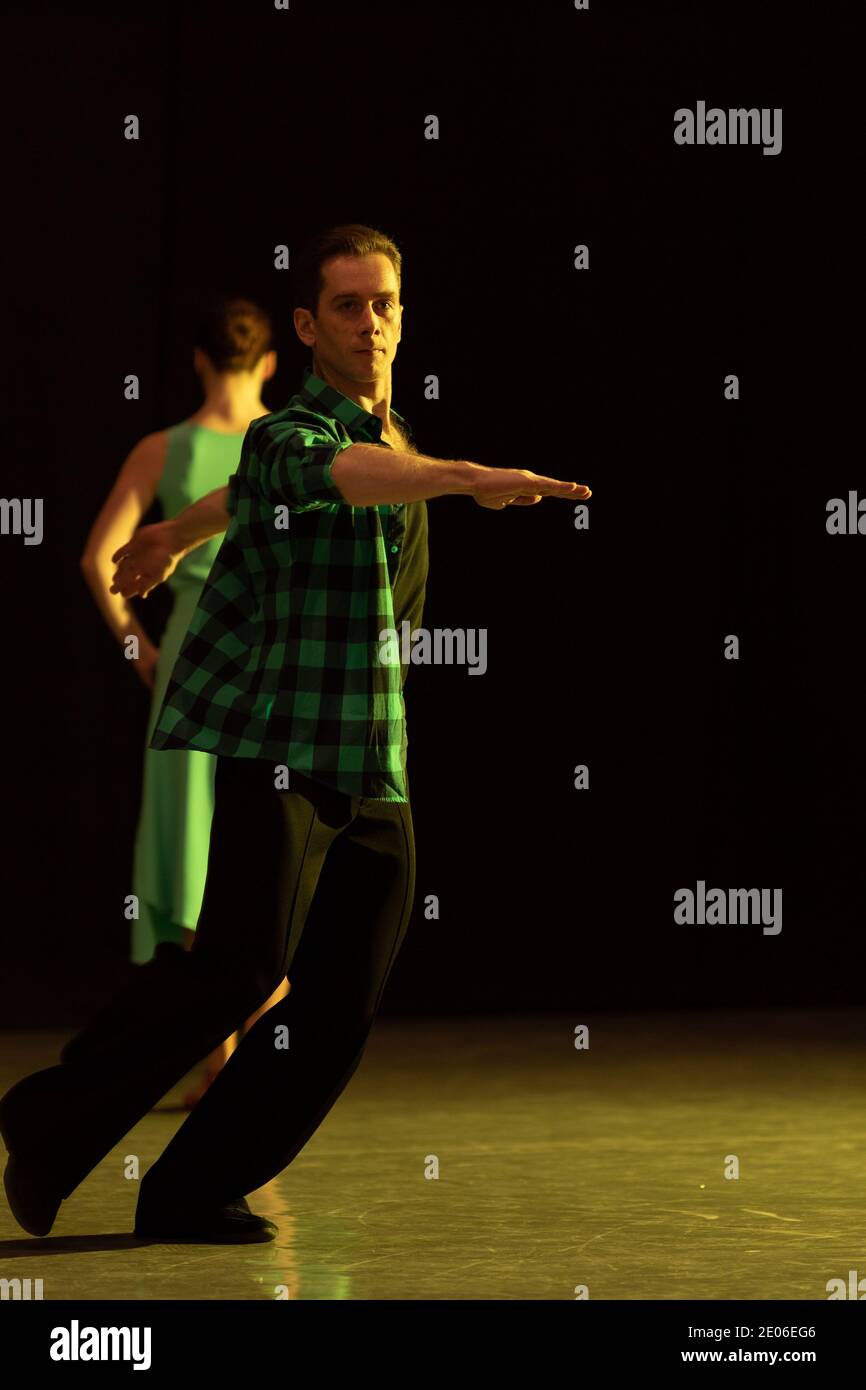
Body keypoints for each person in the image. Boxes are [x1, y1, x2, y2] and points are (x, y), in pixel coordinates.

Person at [0, 223, 591, 1245]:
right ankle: (48, 1116)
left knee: (338, 1002)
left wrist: (180, 529)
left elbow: (271, 493)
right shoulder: (290, 431)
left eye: (386, 303)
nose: (372, 323)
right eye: (350, 306)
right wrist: (464, 475)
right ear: (308, 326)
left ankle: (195, 1183)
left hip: (374, 756)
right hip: (284, 746)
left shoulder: (387, 433)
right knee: (237, 965)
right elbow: (329, 475)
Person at [79, 297, 290, 1108]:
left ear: (201, 360)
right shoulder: (291, 441)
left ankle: (221, 1056)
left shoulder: (162, 448)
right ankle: (265, 1057)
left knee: (198, 855)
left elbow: (100, 554)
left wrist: (139, 646)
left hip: (192, 670)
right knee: (269, 855)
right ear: (270, 362)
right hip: (276, 670)